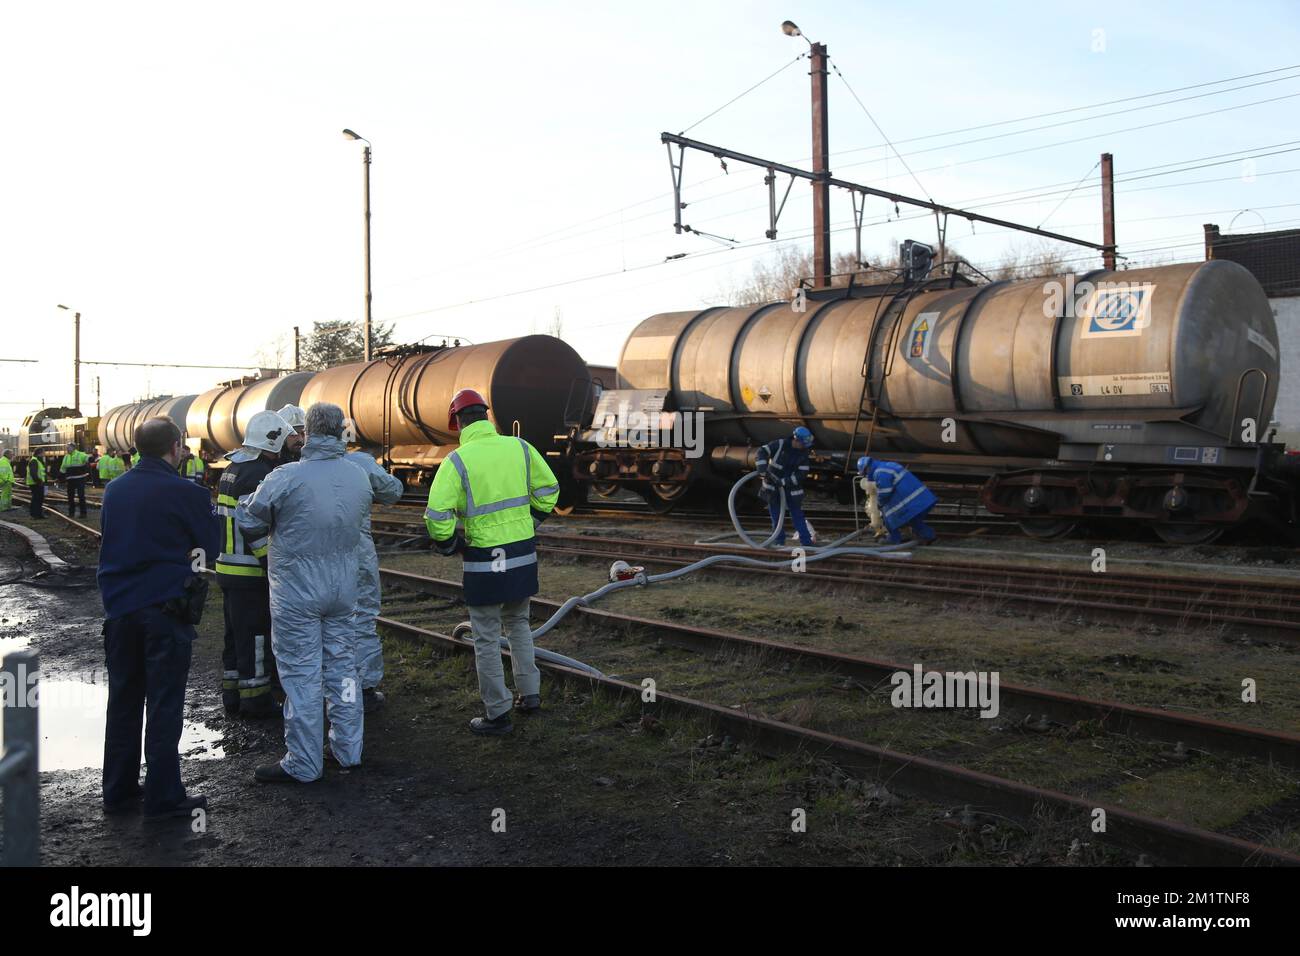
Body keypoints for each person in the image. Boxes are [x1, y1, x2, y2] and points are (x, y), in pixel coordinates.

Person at [237, 402, 375, 783]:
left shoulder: (286, 477)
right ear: (340, 431)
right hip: (343, 588)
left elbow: (248, 519)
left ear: (307, 433)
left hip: (297, 591)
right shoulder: (358, 476)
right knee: (344, 668)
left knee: (301, 674)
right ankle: (349, 751)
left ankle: (305, 761)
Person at [97, 417, 221, 819]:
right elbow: (210, 548)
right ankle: (164, 795)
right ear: (175, 447)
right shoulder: (188, 492)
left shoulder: (114, 490)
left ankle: (117, 789)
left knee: (124, 701)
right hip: (165, 610)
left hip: (119, 611)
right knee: (164, 703)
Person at [425, 388, 560, 736]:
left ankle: (497, 713)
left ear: (457, 423)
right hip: (521, 554)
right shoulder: (520, 447)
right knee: (519, 624)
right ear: (487, 417)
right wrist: (531, 521)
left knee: (485, 636)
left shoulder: (457, 461)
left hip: (486, 559)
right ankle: (530, 695)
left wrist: (448, 542)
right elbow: (549, 489)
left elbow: (437, 513)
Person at [216, 411, 293, 718]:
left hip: (228, 568)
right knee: (257, 634)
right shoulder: (259, 474)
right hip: (249, 571)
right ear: (271, 442)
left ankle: (232, 694)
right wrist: (270, 561)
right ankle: (256, 698)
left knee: (235, 635)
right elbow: (255, 526)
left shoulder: (233, 468)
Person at [345, 450, 404, 712]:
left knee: (318, 621)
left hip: (313, 557)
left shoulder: (292, 467)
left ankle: (327, 687)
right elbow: (393, 491)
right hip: (356, 551)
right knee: (362, 616)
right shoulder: (359, 463)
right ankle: (363, 690)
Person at [755, 426, 816, 547]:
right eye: (803, 444)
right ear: (796, 440)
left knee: (797, 516)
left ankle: (806, 543)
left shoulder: (803, 454)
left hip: (792, 490)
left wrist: (783, 482)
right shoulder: (780, 444)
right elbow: (761, 451)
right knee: (776, 517)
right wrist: (762, 468)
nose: (804, 447)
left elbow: (801, 475)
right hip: (772, 488)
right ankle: (779, 543)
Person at [856, 456, 938, 545]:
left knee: (887, 515)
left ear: (867, 468)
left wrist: (879, 504)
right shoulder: (889, 465)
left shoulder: (879, 472)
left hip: (913, 501)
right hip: (924, 499)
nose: (866, 476)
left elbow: (885, 493)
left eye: (865, 474)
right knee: (913, 520)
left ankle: (893, 539)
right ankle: (929, 536)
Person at [60, 441, 90, 517]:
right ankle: (71, 513)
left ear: (73, 448)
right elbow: (63, 468)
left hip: (80, 479)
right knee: (70, 497)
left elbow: (88, 458)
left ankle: (83, 514)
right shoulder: (66, 456)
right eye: (66, 448)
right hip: (70, 480)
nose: (67, 449)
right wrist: (60, 477)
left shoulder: (80, 454)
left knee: (81, 496)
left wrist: (91, 459)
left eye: (68, 448)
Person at [26, 454, 46, 519]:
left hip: (37, 483)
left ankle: (38, 514)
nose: (44, 454)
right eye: (43, 453)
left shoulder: (36, 460)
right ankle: (35, 515)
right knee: (36, 499)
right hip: (35, 483)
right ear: (39, 453)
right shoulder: (34, 461)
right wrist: (38, 481)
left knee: (39, 499)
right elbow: (33, 473)